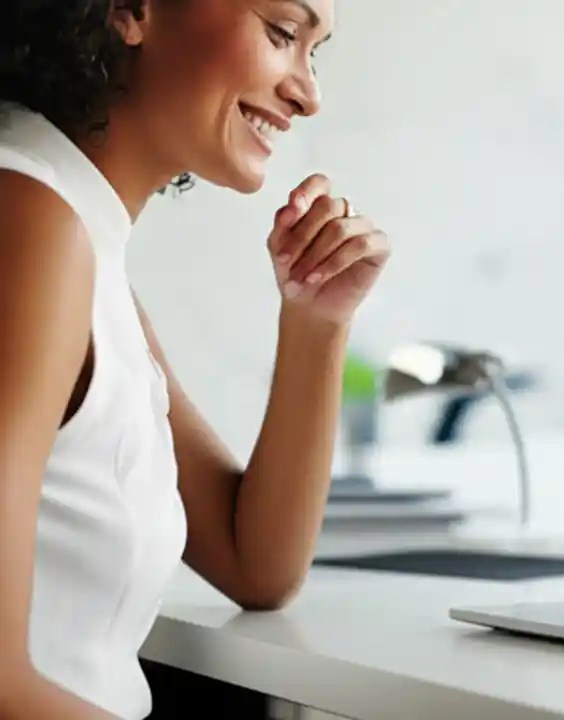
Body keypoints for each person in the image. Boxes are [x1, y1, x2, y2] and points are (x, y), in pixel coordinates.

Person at [0, 1, 391, 717]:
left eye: (315, 51)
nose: (308, 92)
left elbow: (256, 564)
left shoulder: (79, 240)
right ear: (128, 9)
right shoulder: (30, 222)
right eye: (280, 34)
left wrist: (315, 321)